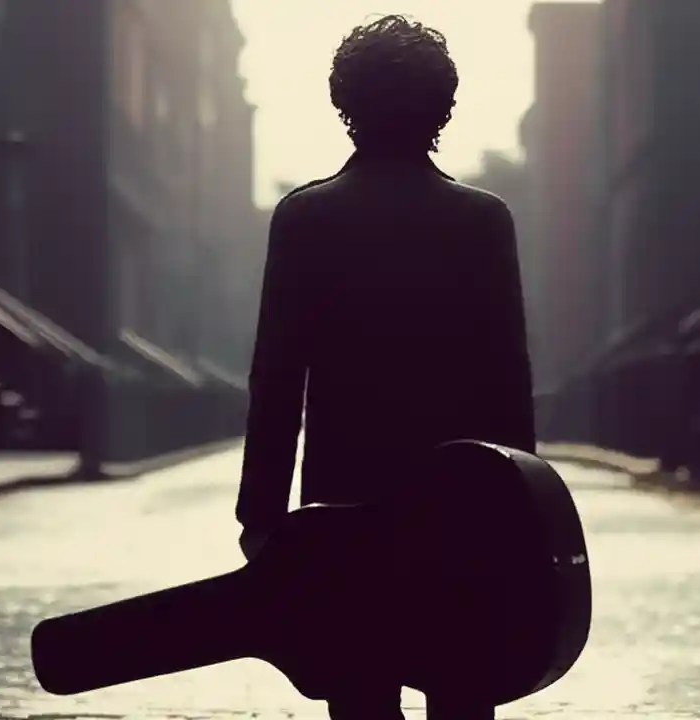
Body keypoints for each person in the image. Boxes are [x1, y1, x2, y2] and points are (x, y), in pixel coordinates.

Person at [234, 14, 536, 720]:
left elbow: (276, 380)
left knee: (360, 695)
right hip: (463, 510)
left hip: (344, 511)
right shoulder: (483, 221)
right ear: (443, 106)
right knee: (463, 694)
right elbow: (507, 379)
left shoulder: (306, 218)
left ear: (345, 104)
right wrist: (523, 515)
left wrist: (262, 516)